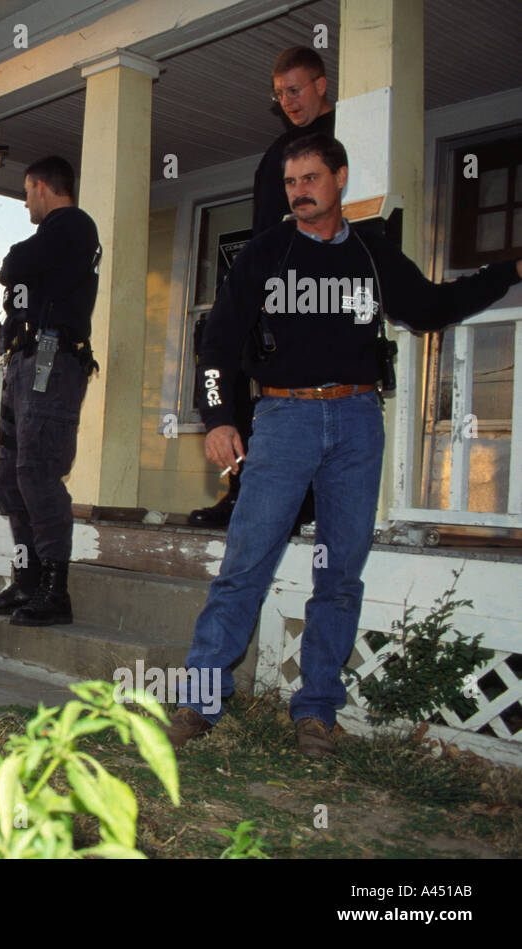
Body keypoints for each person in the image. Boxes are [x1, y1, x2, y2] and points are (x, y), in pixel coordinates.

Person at [168, 134, 522, 757]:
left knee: (339, 574)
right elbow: (217, 342)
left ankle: (316, 711)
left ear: (340, 179)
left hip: (358, 420)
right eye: (290, 182)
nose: (299, 192)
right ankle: (199, 701)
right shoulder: (263, 254)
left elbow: (433, 307)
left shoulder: (370, 250)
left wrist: (509, 272)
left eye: (310, 179)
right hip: (283, 419)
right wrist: (220, 416)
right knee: (244, 564)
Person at [191, 46, 334, 529]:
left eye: (295, 90)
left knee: (305, 388)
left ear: (321, 84)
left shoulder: (340, 139)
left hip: (316, 286)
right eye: (279, 94)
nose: (287, 101)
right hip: (266, 278)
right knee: (226, 360)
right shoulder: (278, 150)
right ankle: (241, 491)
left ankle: (303, 503)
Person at [0, 155, 101, 626]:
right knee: (9, 476)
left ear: (42, 187)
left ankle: (54, 592)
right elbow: (17, 277)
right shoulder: (55, 237)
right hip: (24, 360)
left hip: (52, 359)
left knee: (38, 472)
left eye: (26, 192)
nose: (26, 201)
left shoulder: (72, 225)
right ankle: (27, 582)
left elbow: (14, 266)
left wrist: (18, 263)